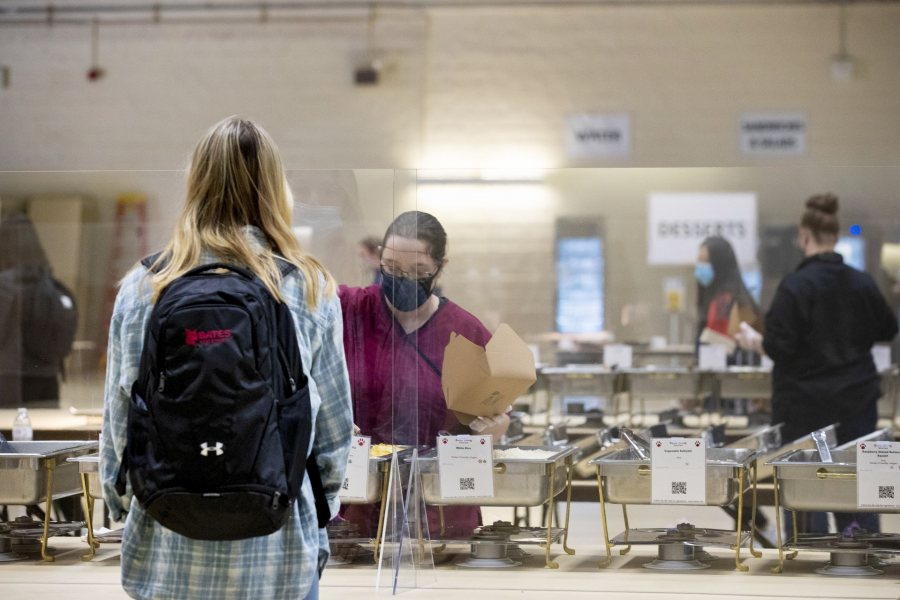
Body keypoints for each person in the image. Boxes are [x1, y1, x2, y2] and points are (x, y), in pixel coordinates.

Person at [100, 116, 353, 600]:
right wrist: (317, 507)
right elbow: (333, 431)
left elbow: (119, 416)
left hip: (167, 542)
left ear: (195, 183)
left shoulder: (144, 285)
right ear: (275, 189)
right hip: (277, 550)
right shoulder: (306, 286)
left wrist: (123, 501)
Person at [338, 210, 509, 539]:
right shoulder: (350, 310)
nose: (402, 278)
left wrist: (494, 427)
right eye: (391, 267)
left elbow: (495, 416)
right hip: (359, 506)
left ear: (440, 267)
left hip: (442, 510)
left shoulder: (465, 333)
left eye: (417, 271)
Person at [737, 194, 898, 535]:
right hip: (856, 407)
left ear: (804, 235)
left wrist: (755, 341)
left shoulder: (794, 287)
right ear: (835, 237)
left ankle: (807, 557)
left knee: (805, 503)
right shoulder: (861, 282)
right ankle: (862, 553)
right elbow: (887, 328)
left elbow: (779, 347)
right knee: (858, 492)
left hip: (804, 411)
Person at [694, 235, 762, 354]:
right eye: (699, 260)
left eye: (706, 261)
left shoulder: (728, 300)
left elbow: (720, 345)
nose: (700, 266)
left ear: (719, 264)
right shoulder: (717, 296)